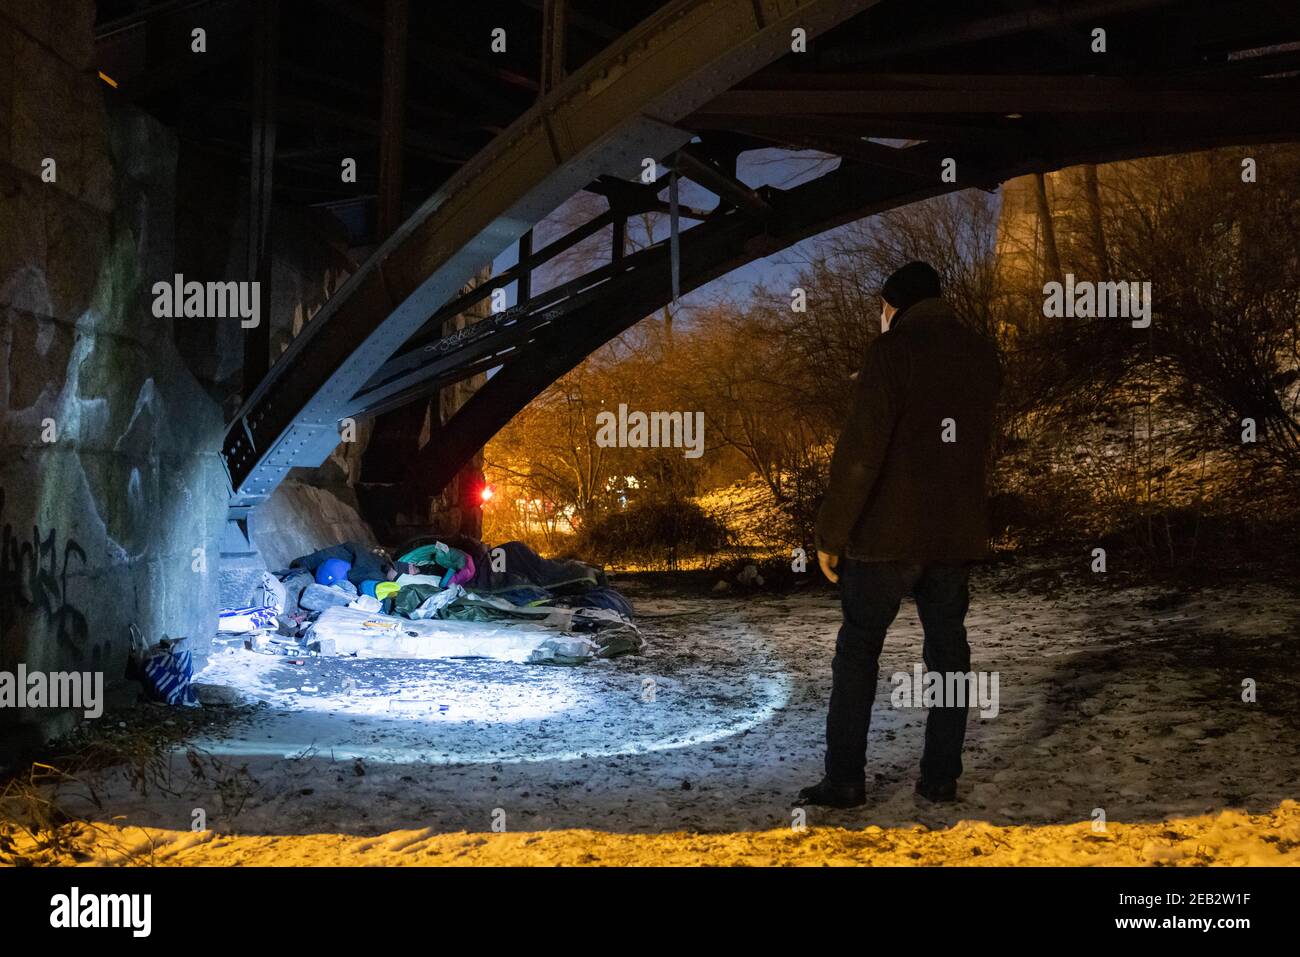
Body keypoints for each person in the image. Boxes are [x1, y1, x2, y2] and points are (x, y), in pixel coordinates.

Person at [799, 261, 1001, 809]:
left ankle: (845, 779)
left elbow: (862, 455)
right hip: (952, 537)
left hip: (885, 538)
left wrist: (831, 533)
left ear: (896, 305)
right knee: (949, 651)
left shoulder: (890, 354)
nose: (881, 317)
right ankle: (940, 777)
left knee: (859, 652)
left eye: (884, 307)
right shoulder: (981, 356)